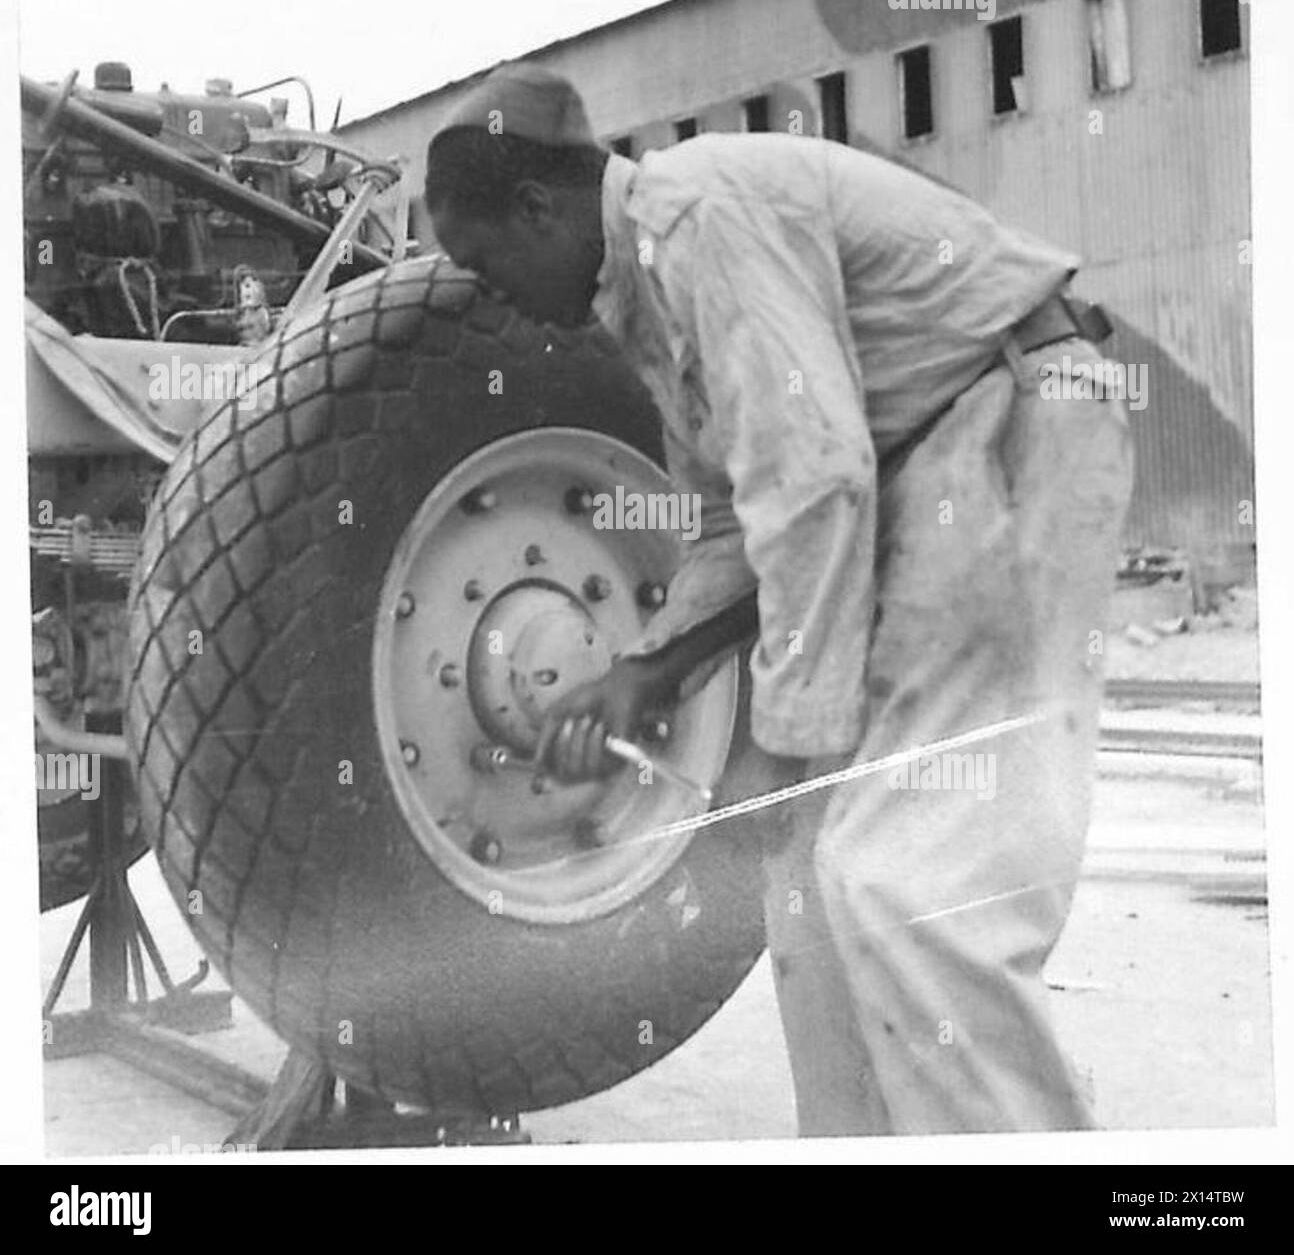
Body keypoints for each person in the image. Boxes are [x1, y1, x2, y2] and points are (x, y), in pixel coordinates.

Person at [423, 61, 1133, 1135]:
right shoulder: (642, 291)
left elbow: (812, 482)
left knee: (910, 886)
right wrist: (647, 669)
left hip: (1001, 435)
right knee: (803, 884)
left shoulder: (698, 218)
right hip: (917, 468)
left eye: (484, 262)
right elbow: (733, 518)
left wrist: (786, 741)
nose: (493, 294)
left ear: (536, 207)